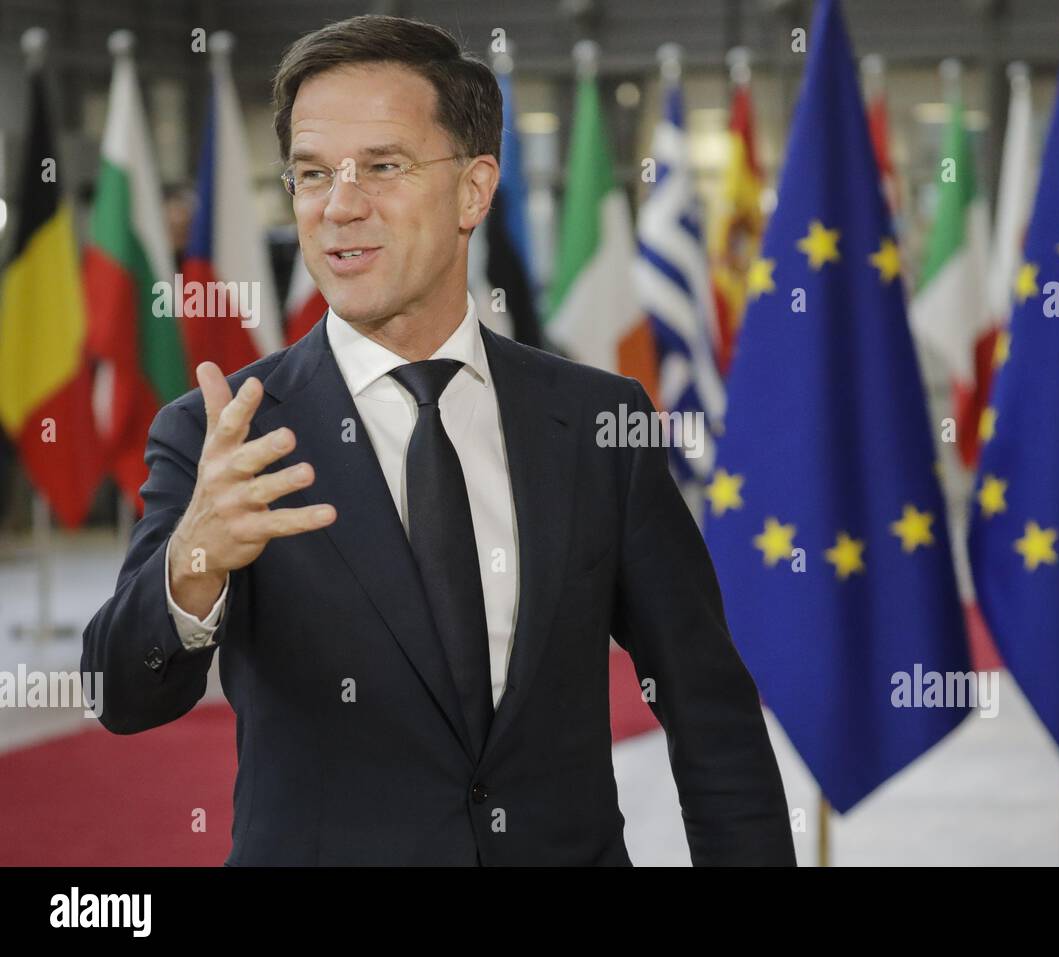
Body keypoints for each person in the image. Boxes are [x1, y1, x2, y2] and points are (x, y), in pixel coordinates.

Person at [82, 14, 794, 866]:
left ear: (474, 190)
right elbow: (118, 693)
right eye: (312, 174)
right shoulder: (220, 428)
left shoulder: (601, 423)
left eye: (383, 167)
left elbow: (706, 701)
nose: (339, 206)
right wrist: (192, 564)